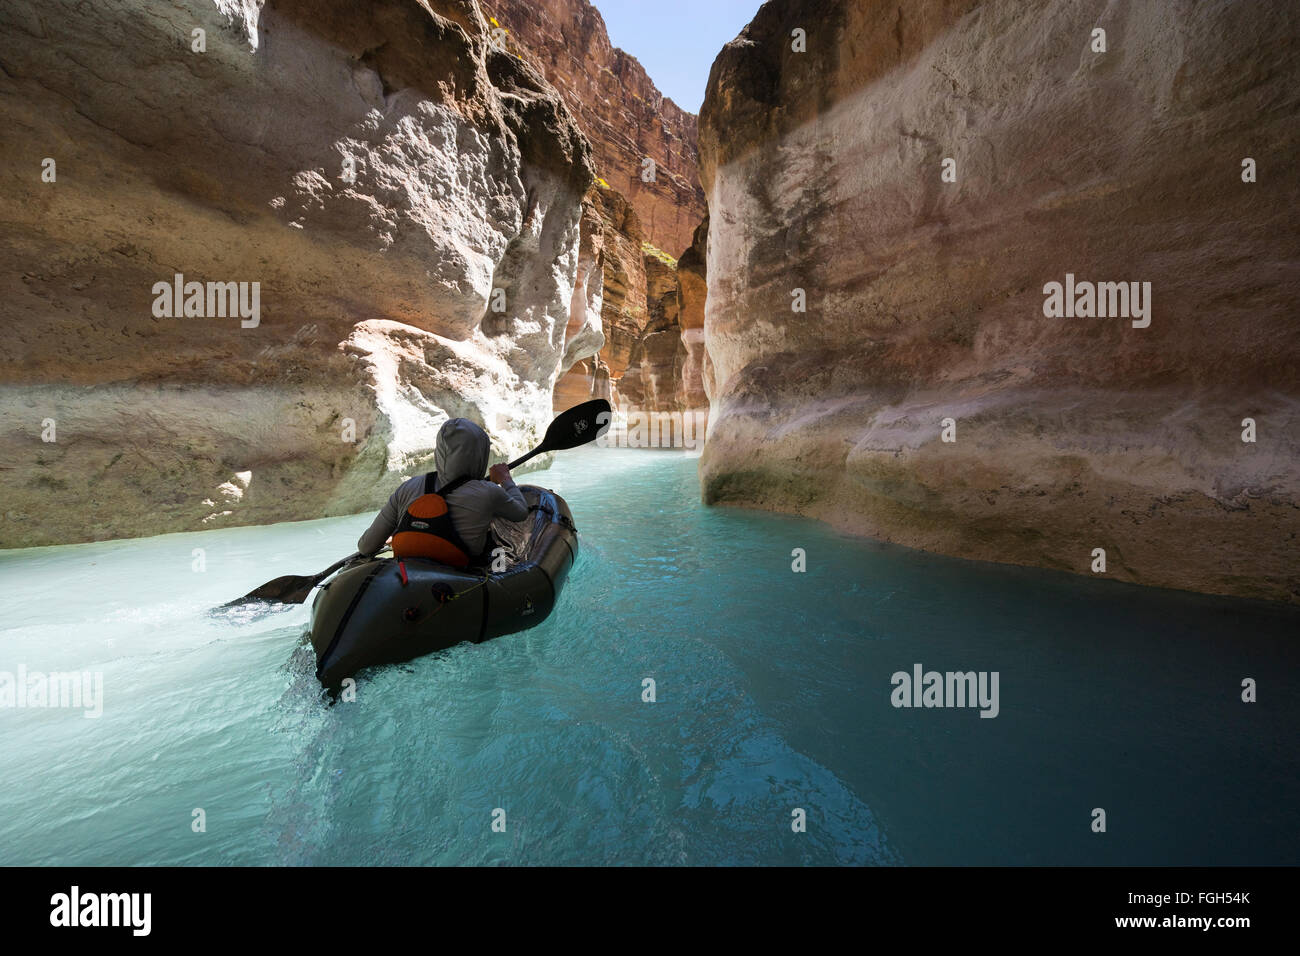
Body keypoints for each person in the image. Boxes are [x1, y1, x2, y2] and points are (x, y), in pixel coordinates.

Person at [356, 418, 529, 566]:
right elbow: (521, 512)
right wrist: (505, 479)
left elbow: (366, 547)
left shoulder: (408, 487)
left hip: (404, 579)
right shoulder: (489, 492)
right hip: (459, 582)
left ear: (439, 451)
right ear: (480, 454)